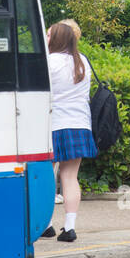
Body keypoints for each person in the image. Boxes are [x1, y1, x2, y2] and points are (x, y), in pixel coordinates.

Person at [46, 20, 94, 242]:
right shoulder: (82, 61)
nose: (45, 39)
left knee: (47, 175)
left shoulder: (49, 62)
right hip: (79, 124)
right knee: (70, 177)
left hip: (53, 125)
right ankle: (70, 227)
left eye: (48, 35)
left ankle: (45, 224)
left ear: (56, 39)